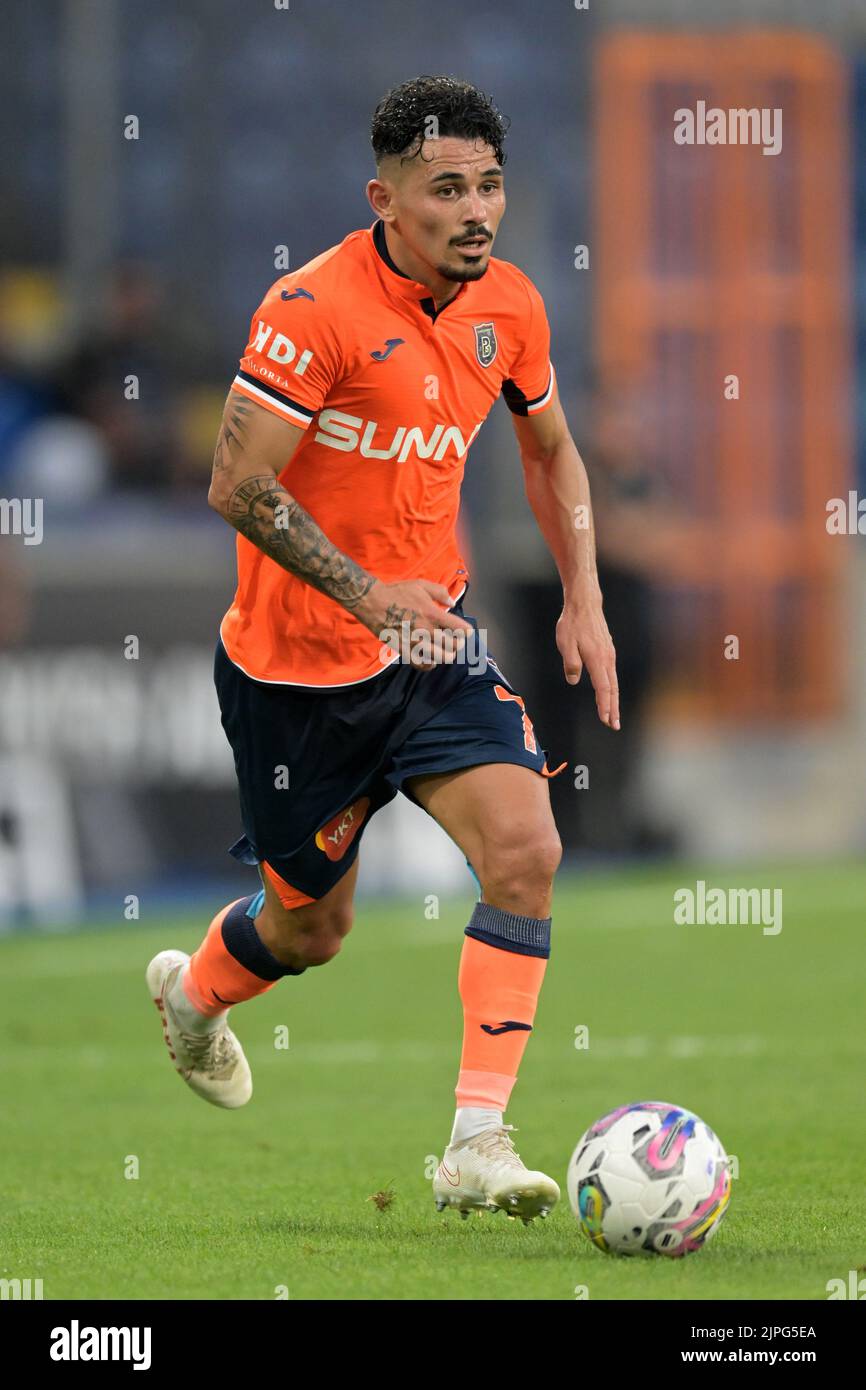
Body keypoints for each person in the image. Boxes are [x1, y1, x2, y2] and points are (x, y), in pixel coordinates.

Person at [146, 75, 619, 1224]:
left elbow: (551, 450)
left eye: (489, 185)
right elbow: (234, 482)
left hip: (433, 648)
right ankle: (195, 993)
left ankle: (474, 1141)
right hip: (294, 672)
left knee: (524, 849)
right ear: (384, 198)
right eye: (445, 188)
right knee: (309, 929)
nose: (476, 211)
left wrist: (581, 598)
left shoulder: (509, 306)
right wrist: (368, 594)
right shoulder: (309, 310)